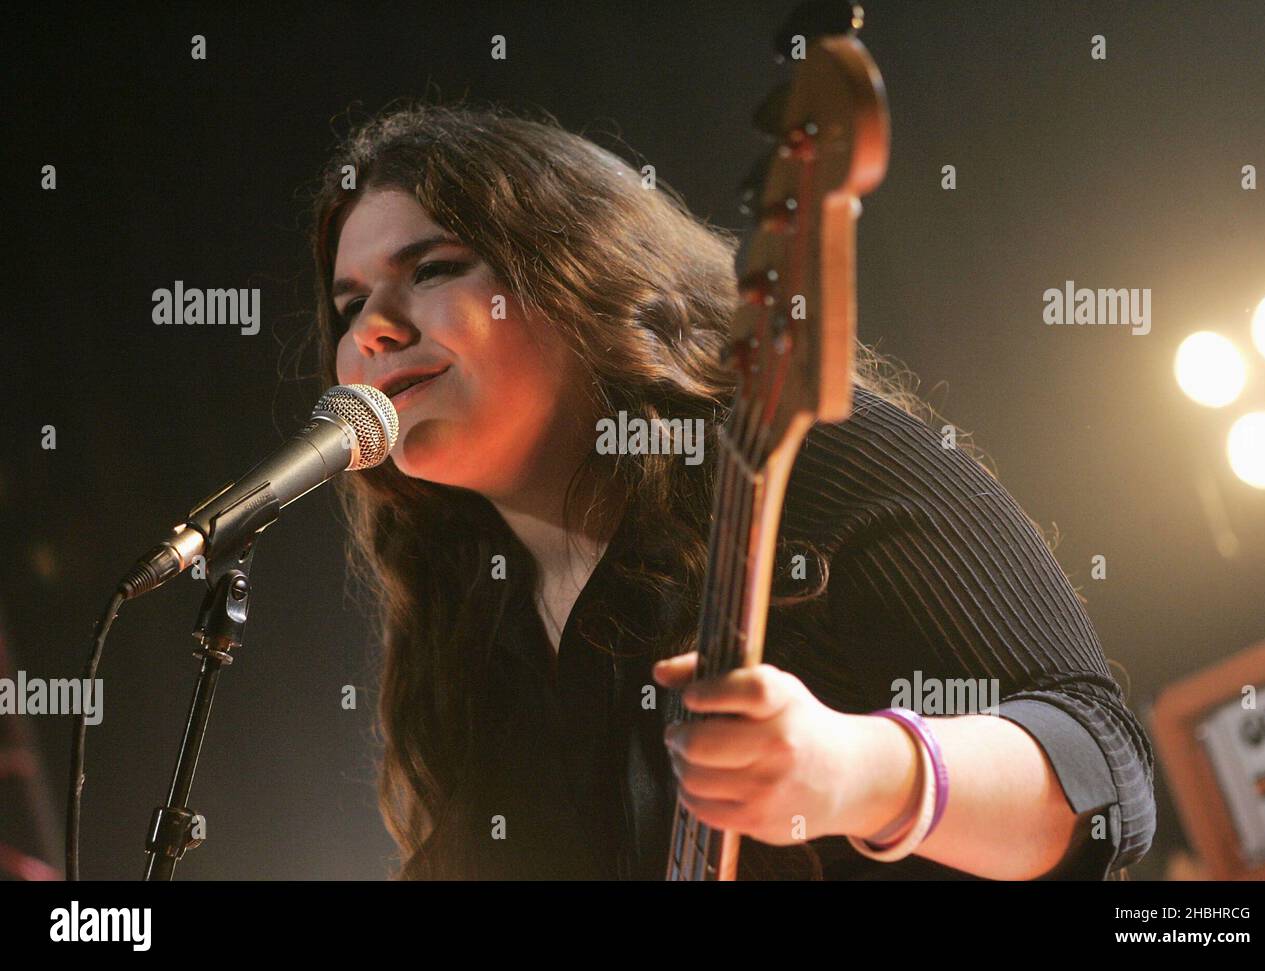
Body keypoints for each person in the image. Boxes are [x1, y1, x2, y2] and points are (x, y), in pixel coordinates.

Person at [305, 100, 1156, 880]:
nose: (372, 329)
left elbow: (1101, 762)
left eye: (433, 269)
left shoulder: (803, 454)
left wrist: (863, 771)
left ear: (577, 273)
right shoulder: (474, 632)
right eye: (347, 306)